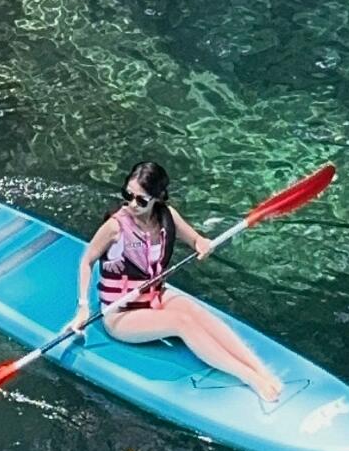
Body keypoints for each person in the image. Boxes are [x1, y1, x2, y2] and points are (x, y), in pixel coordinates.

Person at [71, 159, 284, 409]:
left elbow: (196, 240)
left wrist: (202, 245)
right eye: (127, 195)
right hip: (121, 313)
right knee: (181, 323)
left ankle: (261, 370)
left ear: (158, 198)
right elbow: (87, 260)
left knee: (199, 314)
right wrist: (83, 306)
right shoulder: (115, 227)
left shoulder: (167, 217)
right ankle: (249, 378)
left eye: (141, 200)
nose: (131, 204)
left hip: (155, 296)